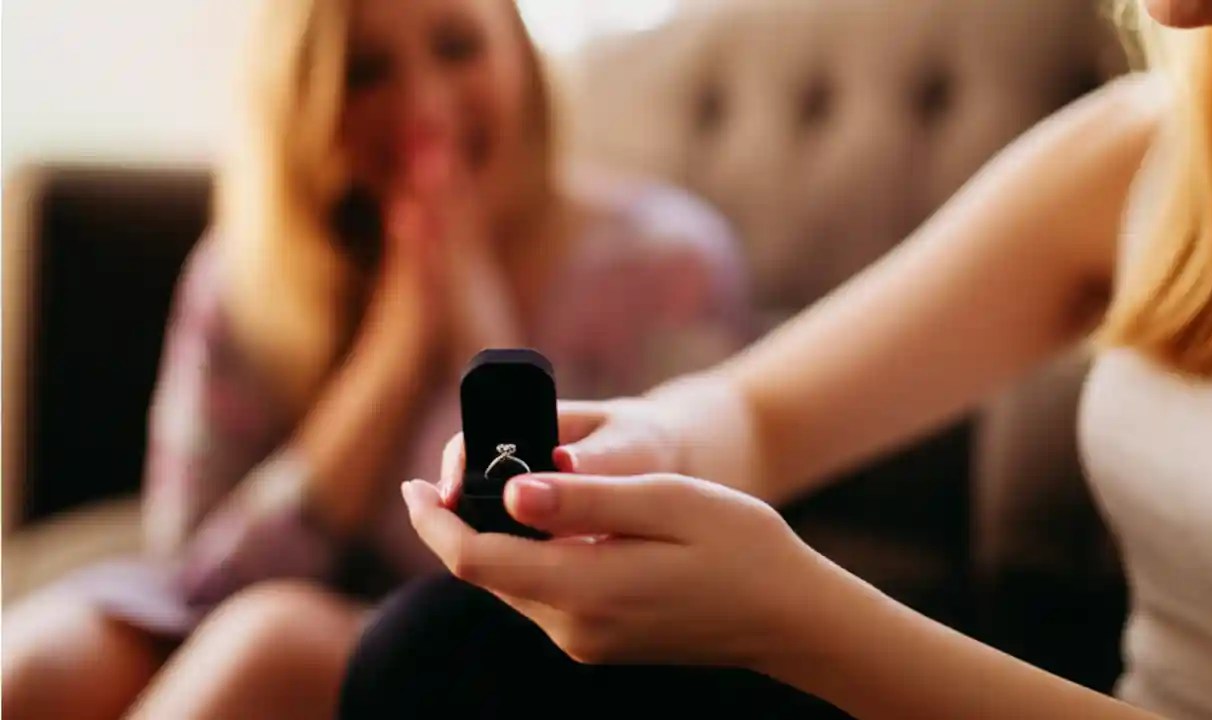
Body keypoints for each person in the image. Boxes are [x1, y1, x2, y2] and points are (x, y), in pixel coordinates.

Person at [341, 0, 1212, 718]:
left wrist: (796, 623)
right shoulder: (1156, 153)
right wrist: (635, 450)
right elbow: (762, 414)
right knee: (441, 648)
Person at [0, 1, 751, 718]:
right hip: (243, 603)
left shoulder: (667, 262)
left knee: (269, 646)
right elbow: (196, 576)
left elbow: (616, 577)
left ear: (518, 52)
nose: (422, 104)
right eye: (364, 71)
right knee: (34, 671)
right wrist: (391, 356)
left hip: (492, 637)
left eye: (457, 46)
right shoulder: (243, 275)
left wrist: (476, 326)